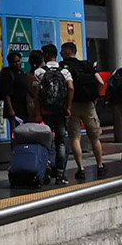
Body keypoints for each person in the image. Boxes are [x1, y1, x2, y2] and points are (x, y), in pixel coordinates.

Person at [64, 50, 107, 178]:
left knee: (75, 138)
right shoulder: (87, 65)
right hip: (88, 105)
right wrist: (96, 97)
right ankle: (100, 166)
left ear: (65, 52)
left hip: (72, 106)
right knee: (95, 137)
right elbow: (101, 82)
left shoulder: (63, 67)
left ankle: (81, 169)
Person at [31, 45, 72, 177]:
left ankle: (46, 170)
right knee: (61, 142)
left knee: (45, 142)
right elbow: (71, 88)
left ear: (46, 55)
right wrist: (68, 107)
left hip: (45, 112)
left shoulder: (39, 72)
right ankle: (60, 172)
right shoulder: (64, 72)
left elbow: (36, 95)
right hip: (60, 112)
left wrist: (38, 113)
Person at [0, 50, 31, 126]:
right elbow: (6, 93)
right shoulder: (7, 74)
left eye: (18, 61)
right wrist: (10, 110)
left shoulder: (21, 72)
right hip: (14, 109)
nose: (17, 64)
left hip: (23, 109)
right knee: (16, 130)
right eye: (14, 62)